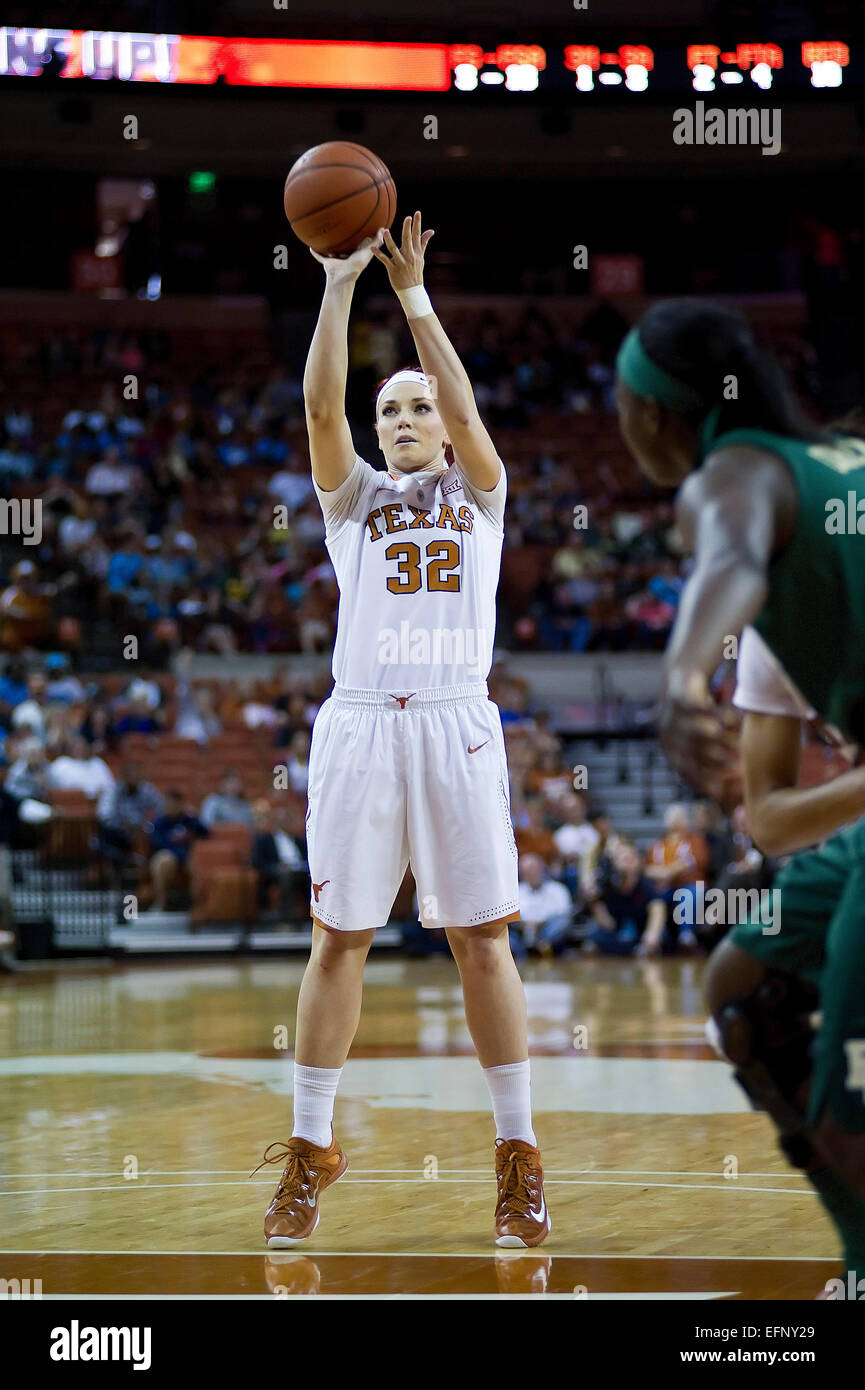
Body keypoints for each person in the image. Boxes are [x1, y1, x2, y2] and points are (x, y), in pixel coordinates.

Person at [253, 215, 549, 1251]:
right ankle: (310, 1148)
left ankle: (518, 1155)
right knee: (339, 939)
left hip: (456, 722)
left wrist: (414, 297)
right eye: (392, 409)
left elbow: (465, 407)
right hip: (363, 723)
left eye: (418, 406)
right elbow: (318, 405)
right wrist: (339, 283)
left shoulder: (481, 494)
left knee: (480, 940)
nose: (407, 418)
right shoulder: (353, 503)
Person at [614, 297, 865, 1290]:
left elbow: (728, 552)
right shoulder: (830, 467)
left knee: (847, 1108)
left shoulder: (738, 471)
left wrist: (682, 675)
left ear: (650, 413)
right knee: (741, 985)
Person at [583, 839, 667, 957]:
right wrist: (594, 901)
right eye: (623, 859)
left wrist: (652, 934)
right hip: (618, 932)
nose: (628, 864)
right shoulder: (607, 885)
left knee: (663, 937)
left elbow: (658, 907)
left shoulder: (646, 884)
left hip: (643, 930)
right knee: (592, 941)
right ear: (614, 863)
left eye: (631, 859)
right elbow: (608, 924)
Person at [148, 790, 209, 912]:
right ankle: (160, 902)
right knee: (161, 860)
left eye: (174, 803)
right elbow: (157, 843)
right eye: (167, 804)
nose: (170, 806)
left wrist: (194, 817)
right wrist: (177, 851)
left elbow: (206, 833)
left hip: (188, 855)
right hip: (169, 855)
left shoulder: (188, 819)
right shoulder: (160, 822)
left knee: (199, 861)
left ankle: (200, 904)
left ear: (180, 804)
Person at [251, 801, 309, 922]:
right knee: (286, 875)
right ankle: (286, 918)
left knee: (314, 877)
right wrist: (276, 867)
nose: (284, 822)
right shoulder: (264, 840)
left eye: (287, 819)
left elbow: (306, 858)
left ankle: (313, 918)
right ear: (275, 821)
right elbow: (258, 861)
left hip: (299, 871)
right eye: (282, 819)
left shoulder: (299, 840)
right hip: (276, 873)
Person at [516, 854, 574, 957]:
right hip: (522, 930)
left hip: (548, 929)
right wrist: (525, 924)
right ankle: (524, 952)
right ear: (523, 875)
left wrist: (541, 923)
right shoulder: (516, 892)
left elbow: (564, 913)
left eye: (535, 870)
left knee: (562, 922)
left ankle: (541, 946)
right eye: (528, 872)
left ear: (543, 870)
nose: (533, 874)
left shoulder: (558, 889)